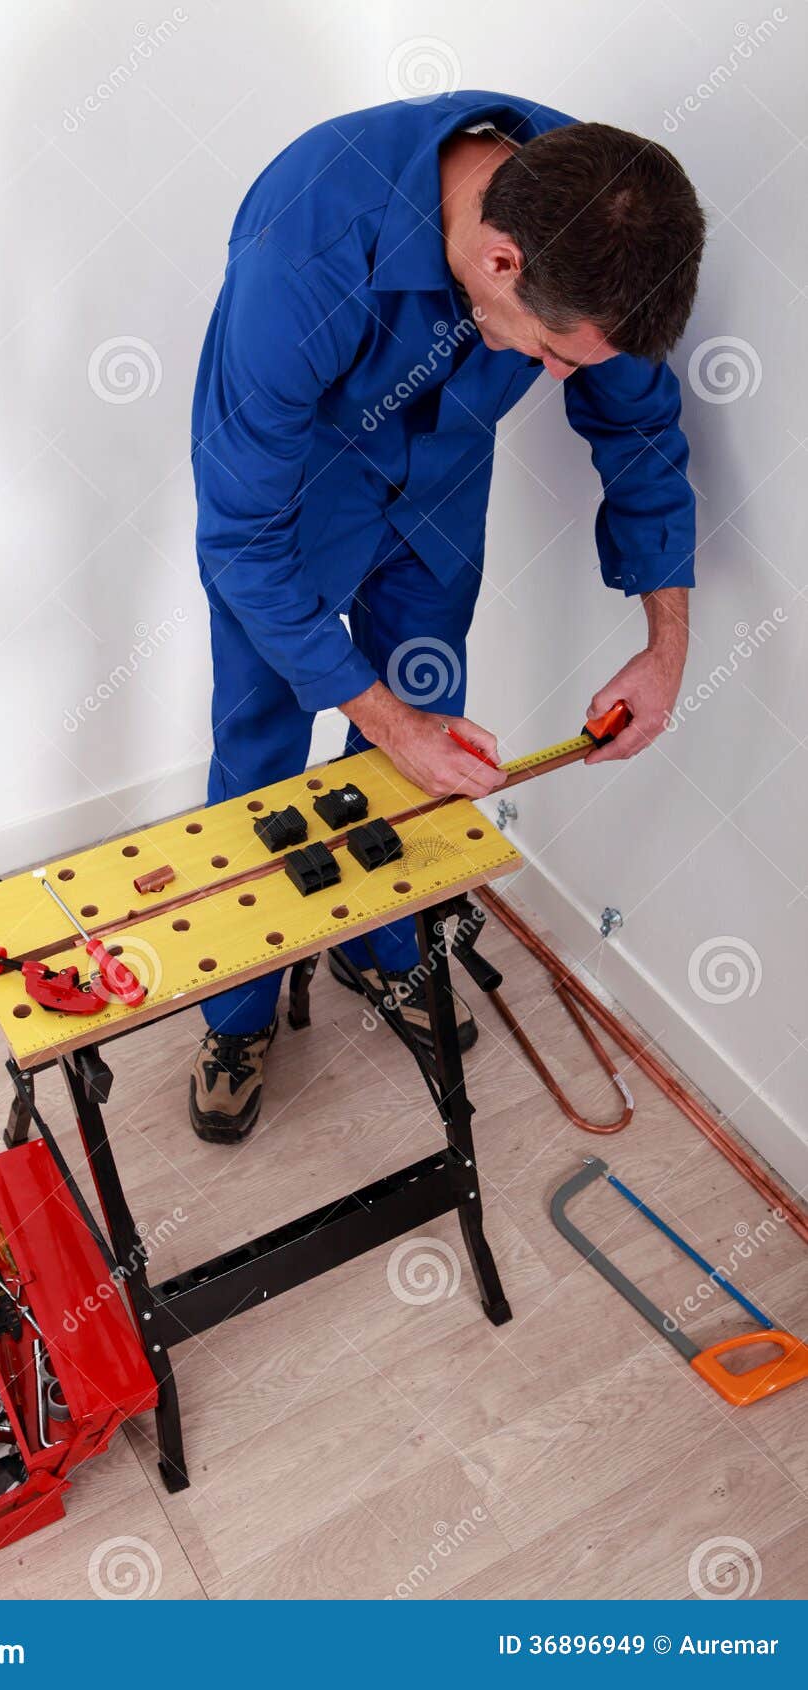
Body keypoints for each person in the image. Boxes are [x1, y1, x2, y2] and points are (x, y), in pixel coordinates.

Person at [188, 90, 705, 1143]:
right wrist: (381, 719)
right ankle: (236, 1014)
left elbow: (640, 435)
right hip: (298, 509)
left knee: (427, 710)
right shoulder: (304, 252)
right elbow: (238, 541)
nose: (560, 380)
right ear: (499, 261)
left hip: (437, 498)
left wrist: (664, 646)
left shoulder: (600, 221)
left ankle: (384, 951)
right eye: (552, 355)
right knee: (258, 744)